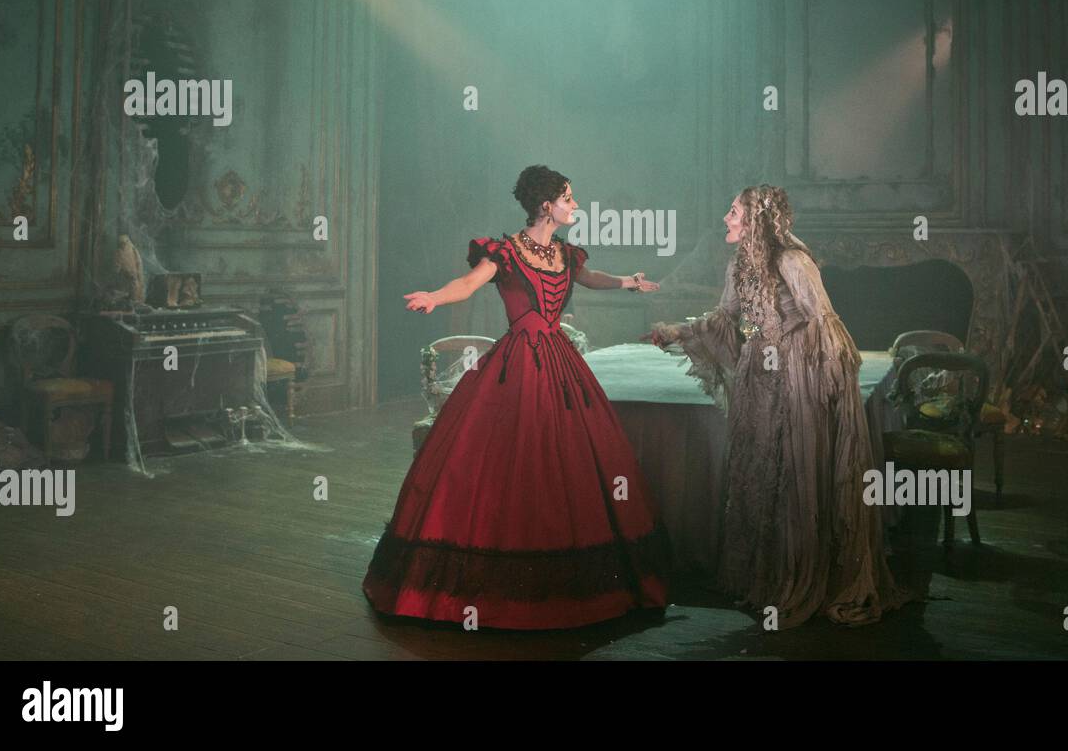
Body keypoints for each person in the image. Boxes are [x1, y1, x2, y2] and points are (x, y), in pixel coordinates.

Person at [363, 165, 671, 629]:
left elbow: (592, 278)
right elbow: (466, 285)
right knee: (502, 460)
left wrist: (629, 281)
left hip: (561, 364)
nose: (576, 205)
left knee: (573, 459)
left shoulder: (568, 254)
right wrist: (433, 296)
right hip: (515, 367)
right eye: (569, 198)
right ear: (546, 204)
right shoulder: (504, 251)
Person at [647, 185, 913, 628]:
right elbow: (724, 319)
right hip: (758, 374)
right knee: (759, 468)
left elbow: (822, 319)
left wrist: (823, 378)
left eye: (733, 212)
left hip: (796, 372)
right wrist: (674, 332)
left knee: (794, 469)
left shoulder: (793, 260)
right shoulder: (738, 264)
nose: (726, 219)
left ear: (755, 218)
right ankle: (767, 581)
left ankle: (801, 578)